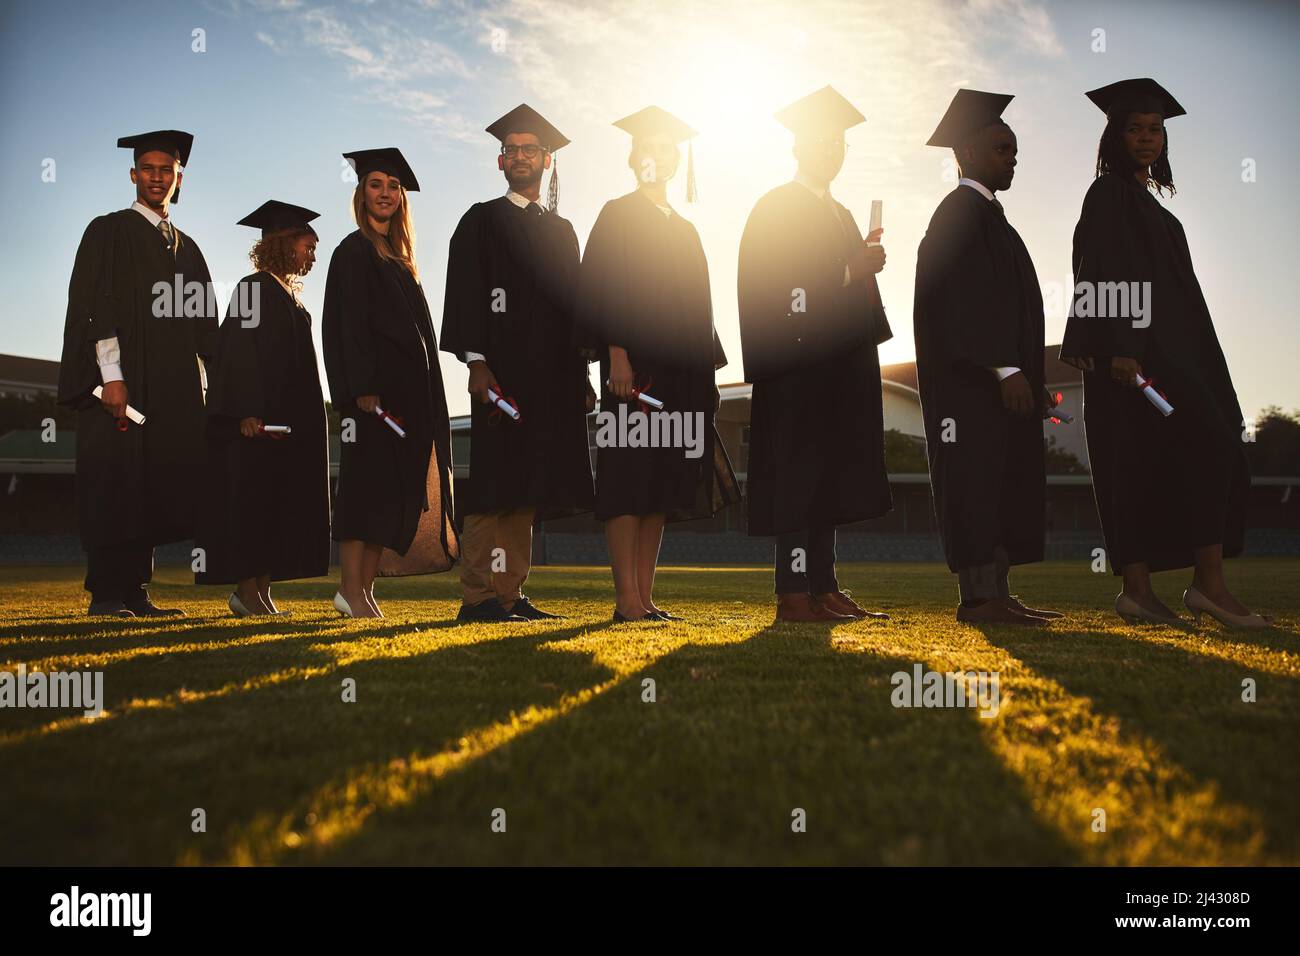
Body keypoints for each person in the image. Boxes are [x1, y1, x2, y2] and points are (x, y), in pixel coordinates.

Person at [1060, 78, 1266, 628]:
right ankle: (1168, 590)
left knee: (1194, 449)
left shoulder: (1148, 201)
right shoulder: (1107, 194)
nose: (1148, 138)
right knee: (1149, 457)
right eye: (1135, 129)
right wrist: (1122, 347)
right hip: (1139, 361)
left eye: (1155, 130)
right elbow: (1100, 266)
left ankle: (1193, 586)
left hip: (1175, 352)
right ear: (1115, 136)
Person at [575, 106, 739, 622]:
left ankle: (645, 597)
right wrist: (616, 354)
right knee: (628, 480)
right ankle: (625, 599)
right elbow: (599, 287)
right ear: (634, 157)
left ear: (675, 160)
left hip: (682, 373)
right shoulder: (616, 213)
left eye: (668, 149)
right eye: (650, 148)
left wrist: (706, 377)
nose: (658, 157)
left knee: (660, 486)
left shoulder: (686, 229)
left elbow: (701, 307)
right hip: (635, 372)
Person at [738, 86, 894, 623]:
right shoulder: (777, 206)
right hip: (795, 366)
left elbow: (850, 283)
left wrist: (863, 269)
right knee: (798, 478)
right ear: (798, 147)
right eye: (821, 140)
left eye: (839, 142)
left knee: (827, 476)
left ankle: (825, 587)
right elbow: (775, 286)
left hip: (838, 366)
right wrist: (849, 270)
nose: (831, 149)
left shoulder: (842, 211)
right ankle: (792, 594)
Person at [440, 104, 595, 623]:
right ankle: (478, 596)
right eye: (512, 150)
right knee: (493, 486)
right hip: (501, 378)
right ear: (500, 162)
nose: (521, 157)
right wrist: (477, 364)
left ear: (547, 160)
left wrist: (582, 375)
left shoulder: (562, 231)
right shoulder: (481, 220)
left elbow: (574, 308)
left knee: (526, 489)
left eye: (531, 150)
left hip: (550, 379)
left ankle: (510, 594)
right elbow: (464, 293)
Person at [913, 90, 1062, 625]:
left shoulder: (993, 218)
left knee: (1003, 481)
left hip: (1001, 382)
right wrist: (1004, 367)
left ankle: (999, 592)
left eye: (1015, 151)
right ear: (969, 154)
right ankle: (979, 599)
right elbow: (962, 302)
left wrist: (1032, 376)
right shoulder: (957, 214)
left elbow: (1013, 308)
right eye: (1003, 149)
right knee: (975, 481)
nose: (1012, 159)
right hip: (968, 387)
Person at [57, 130, 216, 618]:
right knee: (116, 479)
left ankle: (135, 591)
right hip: (122, 380)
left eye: (166, 170)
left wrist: (212, 384)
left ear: (178, 178)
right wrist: (111, 375)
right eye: (148, 168)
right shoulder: (110, 230)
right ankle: (106, 593)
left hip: (168, 387)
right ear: (133, 175)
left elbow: (204, 326)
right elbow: (95, 304)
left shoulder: (186, 247)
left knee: (148, 483)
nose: (156, 177)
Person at [322, 148, 458, 618]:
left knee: (389, 496)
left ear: (402, 198)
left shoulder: (400, 258)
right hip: (372, 401)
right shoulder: (353, 250)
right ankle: (349, 588)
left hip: (406, 400)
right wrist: (361, 387)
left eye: (393, 186)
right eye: (375, 184)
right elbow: (347, 326)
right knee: (364, 492)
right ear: (361, 193)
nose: (385, 193)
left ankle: (364, 590)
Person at [195, 201, 331, 616]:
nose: (312, 255)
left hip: (288, 424)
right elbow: (237, 352)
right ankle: (246, 592)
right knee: (253, 505)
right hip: (259, 423)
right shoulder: (253, 288)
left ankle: (263, 592)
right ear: (284, 244)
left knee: (279, 507)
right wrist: (247, 410)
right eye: (308, 246)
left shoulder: (290, 296)